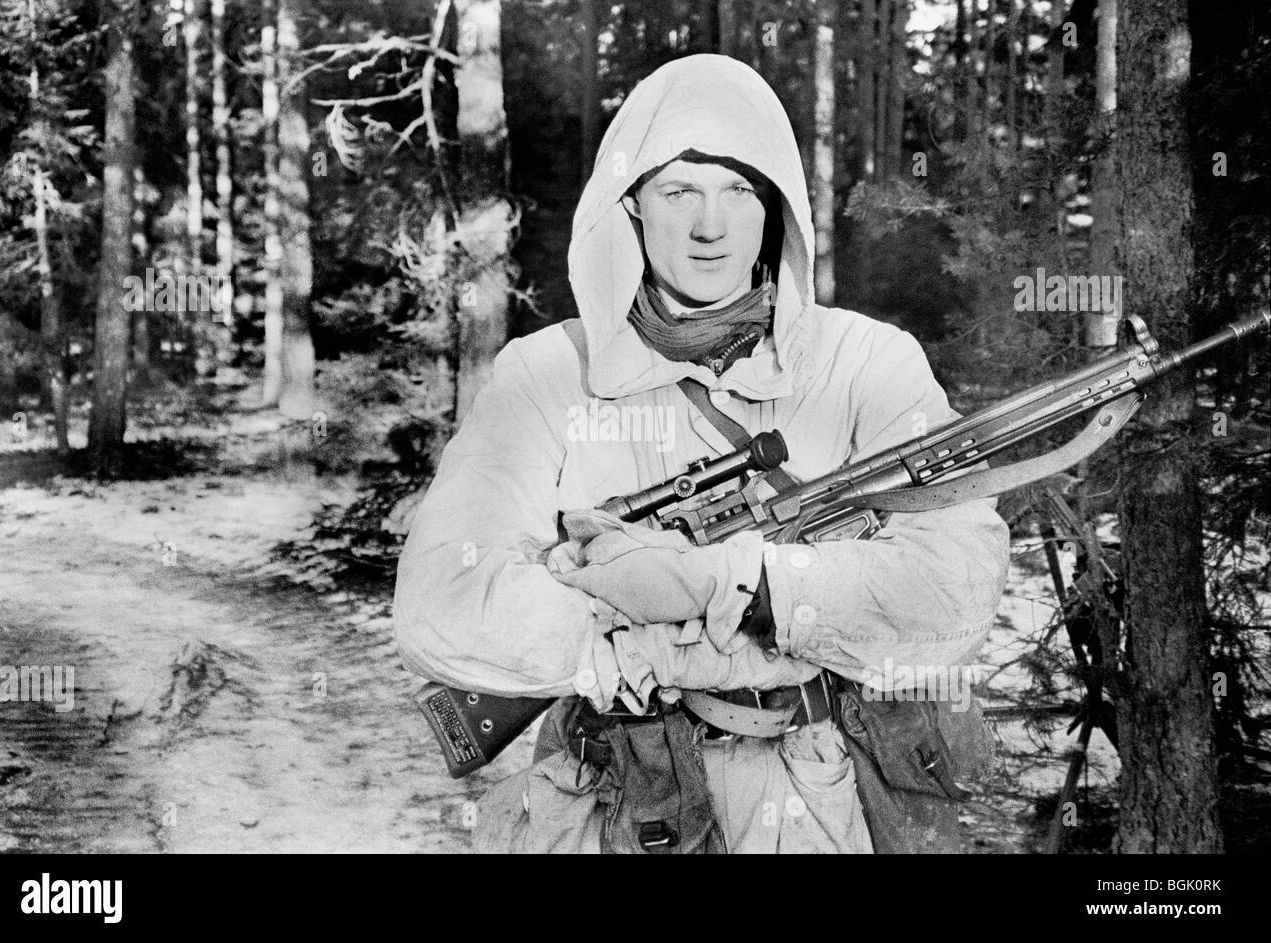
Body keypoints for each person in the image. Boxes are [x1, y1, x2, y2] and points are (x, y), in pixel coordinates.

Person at [393, 54, 1011, 853]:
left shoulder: (870, 363)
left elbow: (954, 585)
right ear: (632, 207)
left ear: (777, 210)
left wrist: (742, 582)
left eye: (739, 191)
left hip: (819, 797)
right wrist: (599, 636)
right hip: (619, 793)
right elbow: (441, 593)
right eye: (678, 190)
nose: (710, 226)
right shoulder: (547, 375)